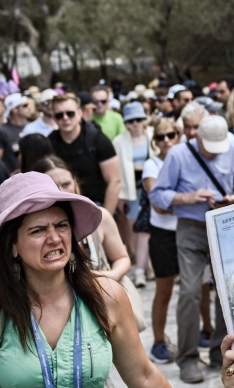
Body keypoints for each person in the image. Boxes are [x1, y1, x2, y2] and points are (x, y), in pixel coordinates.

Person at [0, 170, 234, 388]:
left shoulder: (105, 294)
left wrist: (228, 384)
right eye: (38, 230)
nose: (54, 238)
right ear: (11, 246)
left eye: (62, 225)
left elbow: (144, 377)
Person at [150, 115, 234, 383]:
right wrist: (187, 197)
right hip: (191, 225)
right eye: (208, 147)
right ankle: (188, 357)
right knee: (191, 291)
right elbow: (157, 194)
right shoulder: (179, 154)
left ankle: (222, 352)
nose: (214, 152)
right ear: (195, 137)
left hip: (224, 223)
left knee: (226, 292)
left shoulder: (231, 146)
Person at [29, 157, 131, 284]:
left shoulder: (100, 216)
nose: (61, 191)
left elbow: (121, 257)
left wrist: (110, 276)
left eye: (66, 184)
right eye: (53, 186)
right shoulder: (33, 227)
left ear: (75, 183)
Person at [142, 116, 181, 364]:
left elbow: (167, 201)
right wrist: (191, 200)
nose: (166, 140)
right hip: (163, 235)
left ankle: (205, 331)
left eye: (171, 135)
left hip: (189, 231)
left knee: (197, 288)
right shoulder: (151, 164)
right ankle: (158, 341)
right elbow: (158, 204)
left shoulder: (187, 159)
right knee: (164, 289)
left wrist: (175, 200)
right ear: (154, 141)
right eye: (160, 136)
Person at [48, 94, 123, 215]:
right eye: (59, 115)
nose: (65, 118)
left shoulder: (98, 140)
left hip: (96, 206)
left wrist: (105, 216)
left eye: (70, 113)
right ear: (54, 117)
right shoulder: (49, 143)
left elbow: (114, 181)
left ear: (79, 113)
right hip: (62, 210)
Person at [114, 101, 153, 287]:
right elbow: (116, 170)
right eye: (131, 121)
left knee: (151, 227)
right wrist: (119, 195)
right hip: (131, 190)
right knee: (135, 227)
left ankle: (149, 264)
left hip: (151, 188)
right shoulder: (119, 141)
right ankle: (140, 264)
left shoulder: (153, 135)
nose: (135, 124)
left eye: (138, 119)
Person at [0, 93, 31, 173]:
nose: (29, 108)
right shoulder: (1, 132)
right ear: (14, 109)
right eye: (25, 105)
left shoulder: (31, 127)